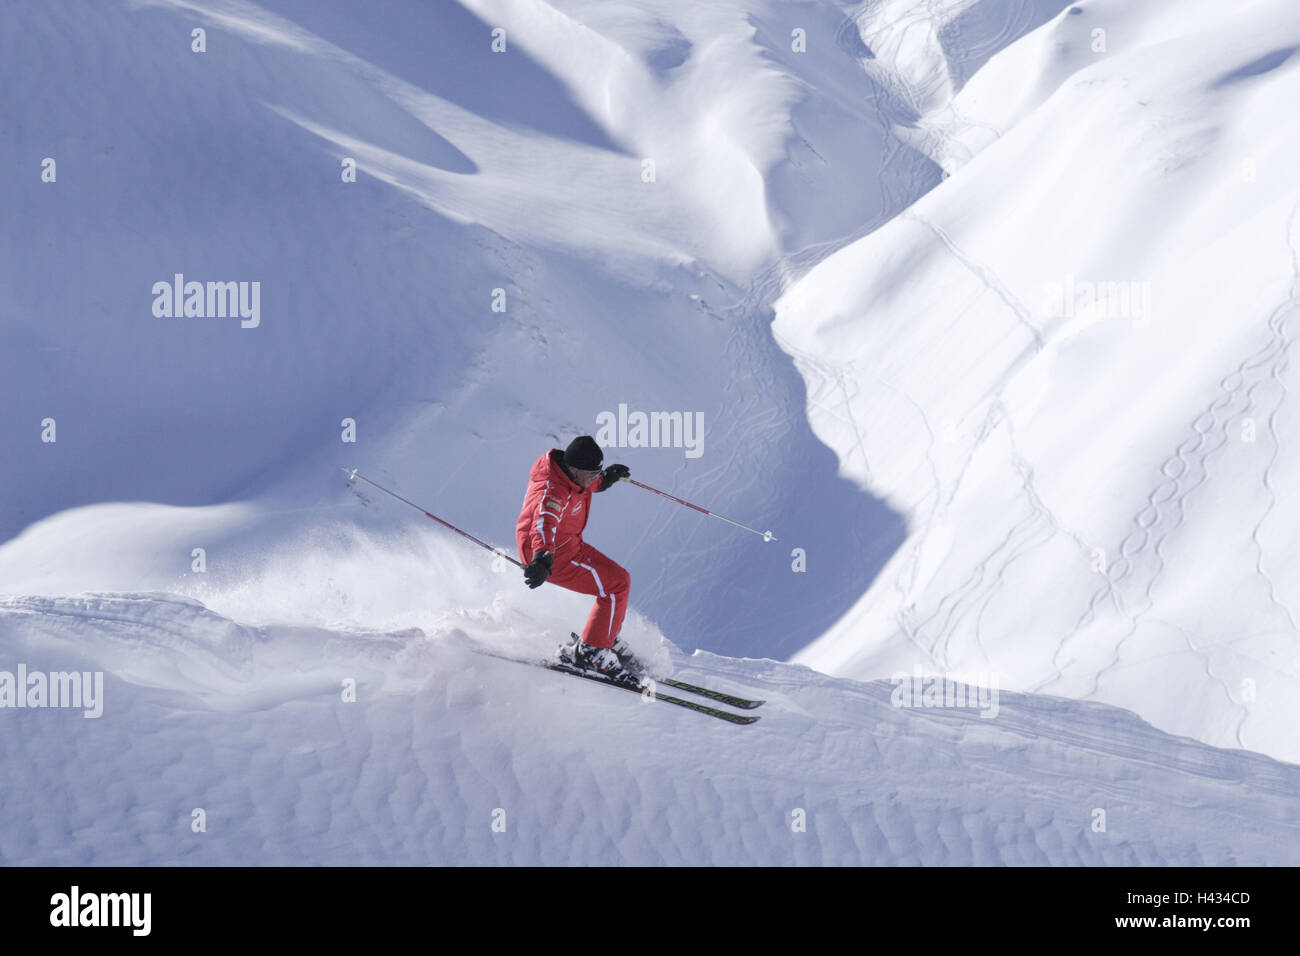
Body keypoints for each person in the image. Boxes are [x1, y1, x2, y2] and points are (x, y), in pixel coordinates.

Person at [515, 436, 639, 680]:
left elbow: (590, 484)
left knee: (621, 579)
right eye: (592, 474)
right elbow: (543, 522)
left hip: (568, 544)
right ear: (574, 469)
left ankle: (602, 636)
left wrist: (607, 479)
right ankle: (592, 651)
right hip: (549, 554)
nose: (594, 479)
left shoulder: (574, 477)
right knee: (615, 586)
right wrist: (542, 557)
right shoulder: (552, 490)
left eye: (597, 473)